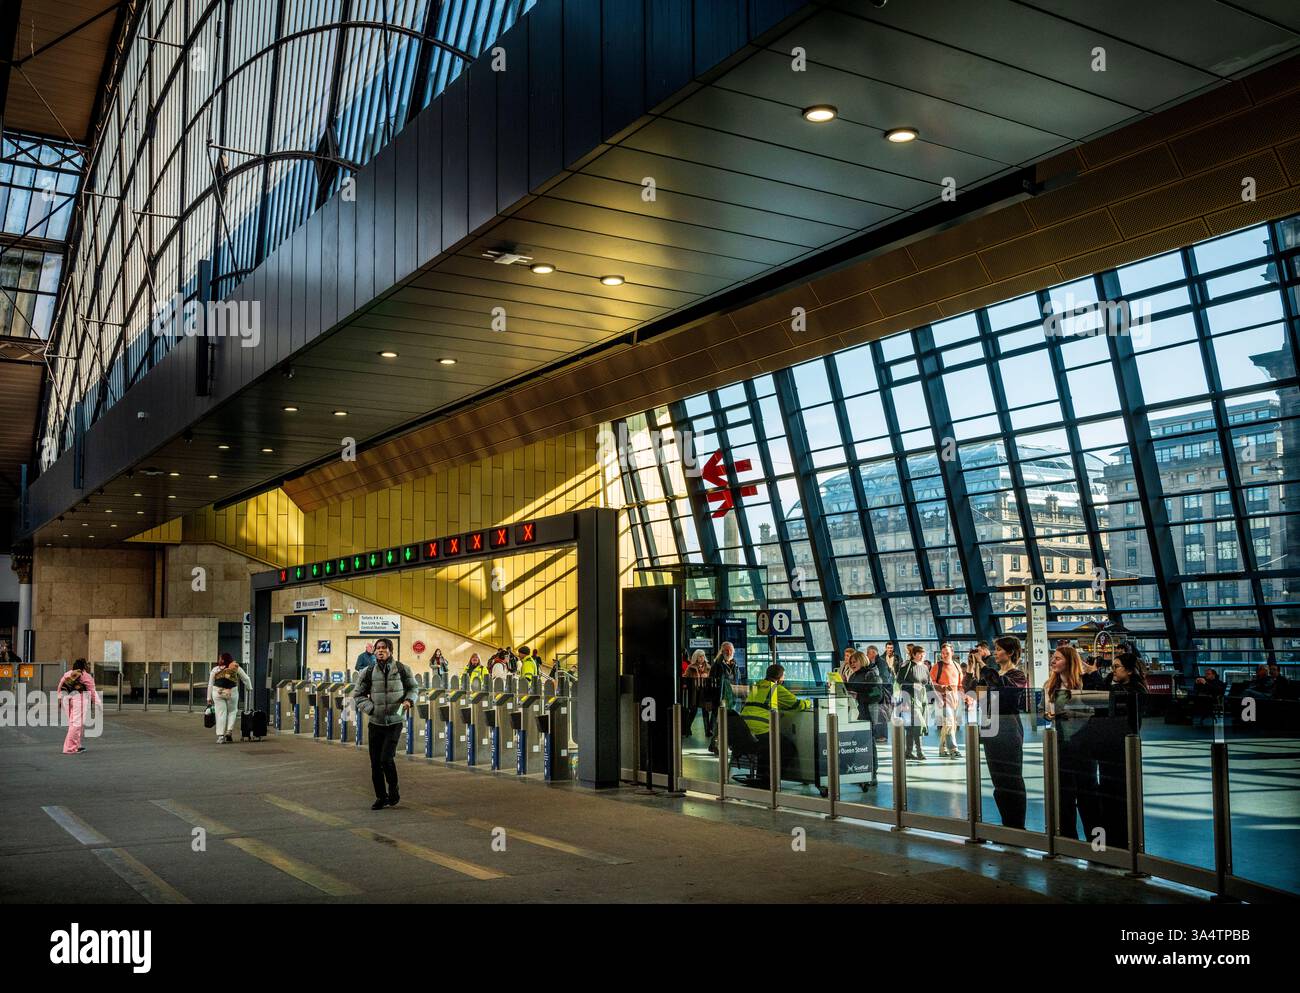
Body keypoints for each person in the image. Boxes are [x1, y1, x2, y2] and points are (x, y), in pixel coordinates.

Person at [353, 638, 418, 810]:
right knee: (375, 763)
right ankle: (381, 797)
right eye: (378, 648)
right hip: (376, 723)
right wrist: (372, 709)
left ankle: (393, 789)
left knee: (386, 758)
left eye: (384, 648)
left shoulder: (402, 669)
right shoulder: (367, 672)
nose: (380, 650)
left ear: (390, 650)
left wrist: (409, 701)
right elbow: (358, 695)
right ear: (374, 652)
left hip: (395, 722)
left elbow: (413, 688)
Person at [1094, 651, 1147, 850]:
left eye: (1117, 667)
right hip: (1112, 745)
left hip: (1122, 747)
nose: (1112, 670)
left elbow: (1111, 701)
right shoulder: (1121, 687)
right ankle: (1113, 836)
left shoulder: (1134, 690)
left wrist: (1103, 679)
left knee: (1118, 790)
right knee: (1109, 789)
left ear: (1130, 671)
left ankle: (1123, 839)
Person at [979, 636, 1029, 830]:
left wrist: (984, 665)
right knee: (998, 780)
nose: (994, 652)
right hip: (992, 728)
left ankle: (1017, 825)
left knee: (1012, 778)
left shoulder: (1017, 676)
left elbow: (1001, 685)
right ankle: (1008, 824)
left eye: (999, 649)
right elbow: (975, 690)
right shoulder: (996, 674)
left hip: (1008, 728)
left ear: (1010, 653)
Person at [1043, 645, 1090, 840]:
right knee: (1064, 795)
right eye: (1053, 658)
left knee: (1086, 794)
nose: (1053, 661)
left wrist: (1072, 714)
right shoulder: (1050, 686)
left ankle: (1095, 842)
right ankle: (1068, 840)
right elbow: (1046, 712)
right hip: (1061, 745)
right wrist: (1048, 715)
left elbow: (1092, 712)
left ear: (1070, 662)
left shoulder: (1082, 684)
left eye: (1058, 658)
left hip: (1082, 746)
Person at [738, 663, 811, 788]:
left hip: (744, 730)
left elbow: (761, 705)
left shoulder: (756, 687)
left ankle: (762, 777)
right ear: (780, 677)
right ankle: (772, 779)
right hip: (760, 730)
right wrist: (809, 702)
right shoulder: (776, 689)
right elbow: (796, 705)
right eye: (784, 676)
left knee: (767, 747)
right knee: (788, 747)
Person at [896, 645, 932, 761]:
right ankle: (920, 752)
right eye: (920, 654)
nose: (922, 656)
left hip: (922, 697)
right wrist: (912, 686)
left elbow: (929, 683)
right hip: (910, 697)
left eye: (923, 653)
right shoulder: (907, 666)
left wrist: (937, 698)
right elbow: (899, 681)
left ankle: (908, 752)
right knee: (918, 724)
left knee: (912, 727)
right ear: (914, 654)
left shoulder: (925, 667)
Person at [208, 652, 252, 744]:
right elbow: (246, 678)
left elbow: (210, 684)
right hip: (231, 692)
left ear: (223, 660)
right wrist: (249, 688)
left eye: (220, 658)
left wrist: (209, 697)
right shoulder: (235, 667)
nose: (219, 660)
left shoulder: (215, 669)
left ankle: (220, 736)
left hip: (218, 692)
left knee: (220, 713)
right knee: (232, 711)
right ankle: (229, 731)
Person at [930, 643, 962, 759]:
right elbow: (931, 682)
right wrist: (942, 687)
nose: (944, 655)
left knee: (950, 725)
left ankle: (942, 749)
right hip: (942, 699)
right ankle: (953, 749)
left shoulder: (957, 666)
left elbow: (960, 684)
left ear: (952, 653)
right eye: (942, 653)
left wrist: (964, 697)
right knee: (948, 723)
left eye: (947, 653)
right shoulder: (937, 666)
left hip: (955, 699)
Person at [58, 659, 97, 754]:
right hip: (79, 699)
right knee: (77, 724)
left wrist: (59, 698)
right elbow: (92, 691)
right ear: (83, 666)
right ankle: (70, 748)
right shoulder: (86, 676)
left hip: (66, 699)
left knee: (73, 724)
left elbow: (60, 686)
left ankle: (76, 745)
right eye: (86, 665)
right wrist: (97, 703)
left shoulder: (68, 674)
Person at [707, 643, 739, 755]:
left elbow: (736, 681)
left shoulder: (735, 664)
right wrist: (710, 700)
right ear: (722, 651)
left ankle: (722, 744)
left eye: (730, 650)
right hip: (721, 698)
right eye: (726, 650)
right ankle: (715, 744)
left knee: (730, 722)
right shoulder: (717, 665)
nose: (728, 652)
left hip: (732, 698)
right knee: (720, 722)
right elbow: (711, 684)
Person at [680, 649, 709, 737]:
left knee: (706, 711)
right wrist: (685, 684)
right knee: (693, 710)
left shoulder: (708, 667)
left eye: (703, 656)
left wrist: (707, 676)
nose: (702, 658)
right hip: (694, 692)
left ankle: (708, 731)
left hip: (704, 692)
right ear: (696, 657)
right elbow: (684, 677)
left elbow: (713, 677)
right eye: (700, 656)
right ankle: (686, 729)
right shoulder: (691, 667)